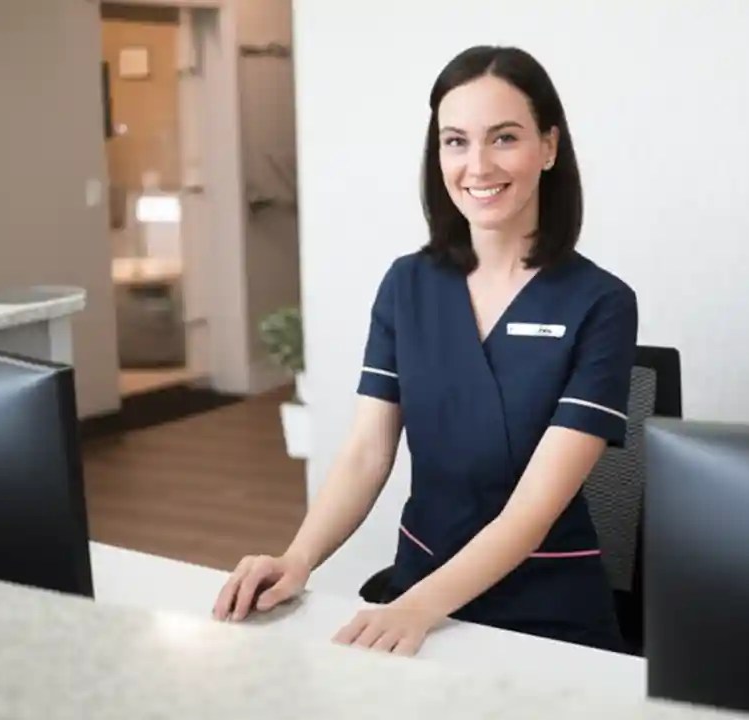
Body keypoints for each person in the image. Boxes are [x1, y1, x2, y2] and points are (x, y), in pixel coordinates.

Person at [213, 44, 637, 657]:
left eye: (505, 137)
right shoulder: (407, 285)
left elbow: (530, 513)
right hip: (417, 585)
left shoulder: (601, 304)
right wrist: (297, 557)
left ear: (548, 146)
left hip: (545, 612)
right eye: (456, 140)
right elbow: (366, 453)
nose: (478, 165)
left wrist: (418, 608)